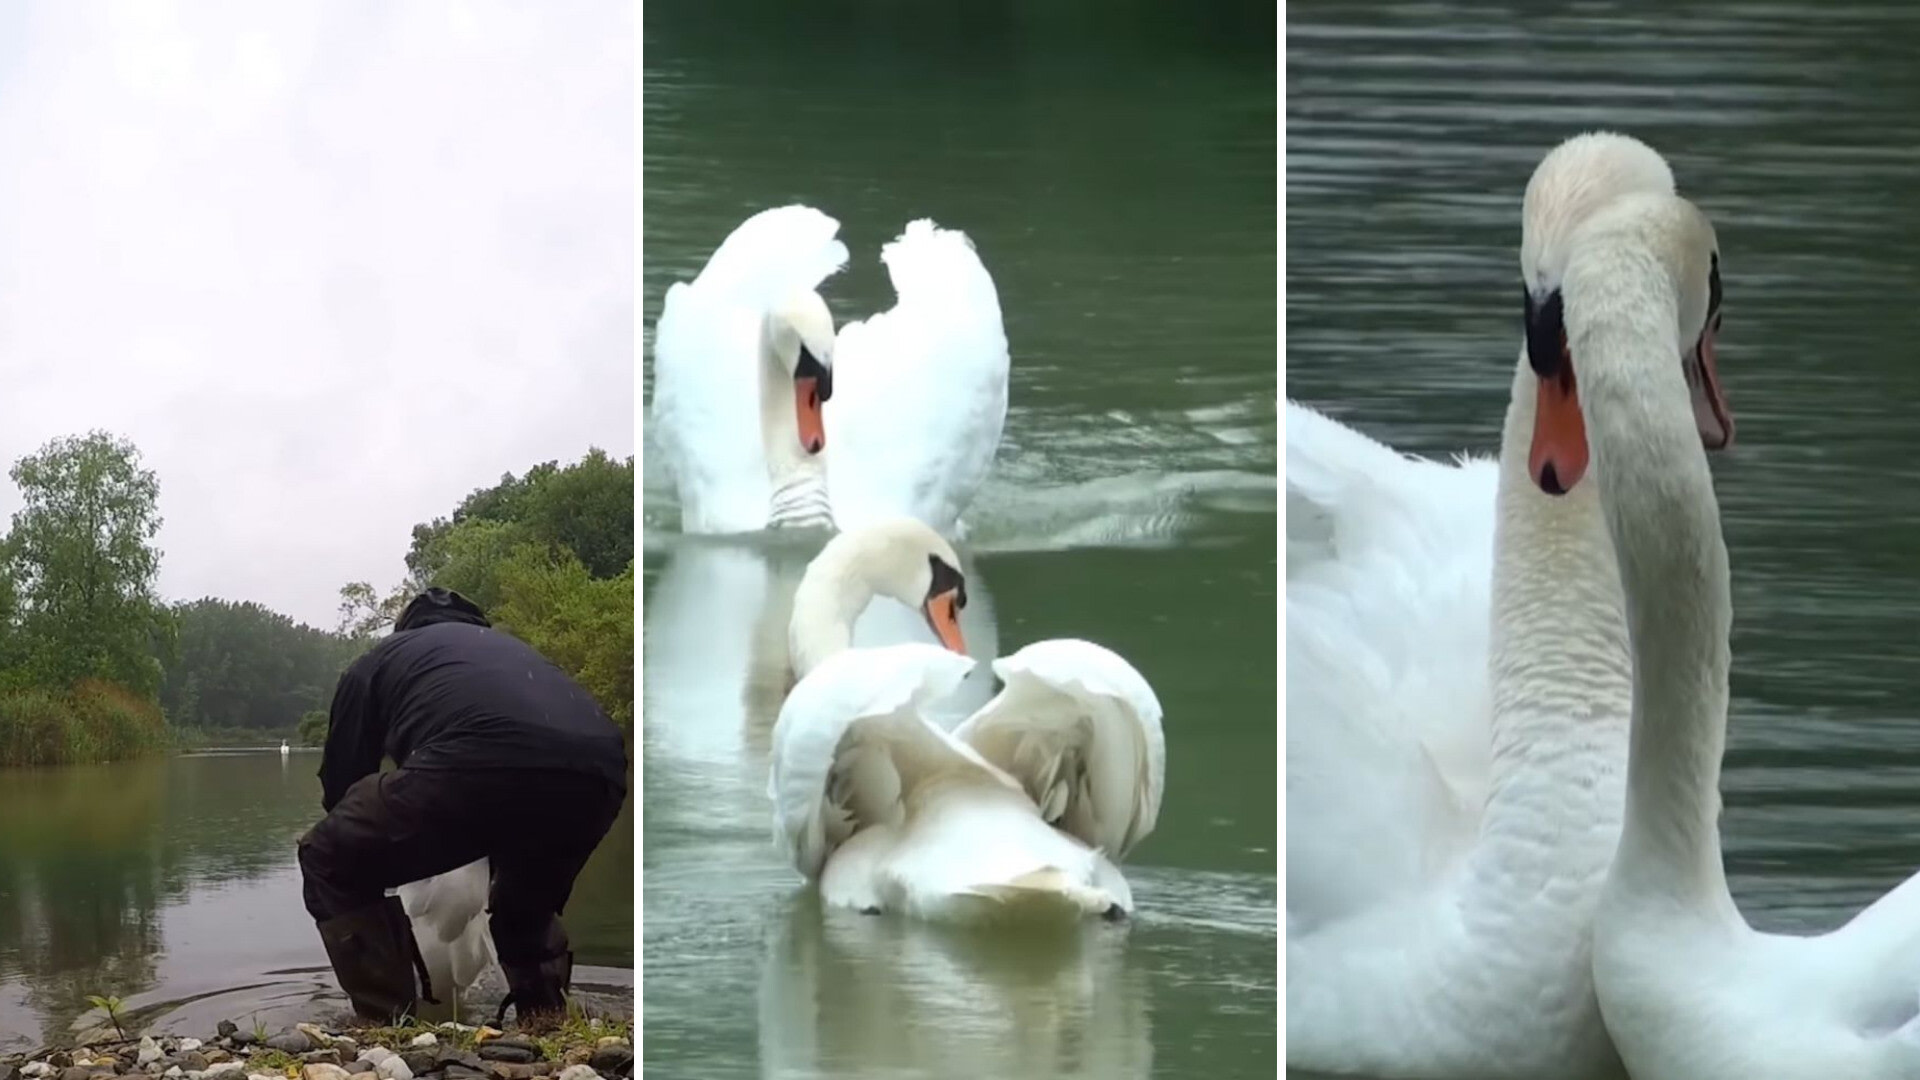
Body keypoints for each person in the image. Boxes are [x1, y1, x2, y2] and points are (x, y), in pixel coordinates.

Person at [297, 587, 628, 1024]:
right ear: (476, 626)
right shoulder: (513, 652)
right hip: (599, 772)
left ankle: (386, 1023)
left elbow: (344, 780)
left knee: (328, 857)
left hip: (480, 759)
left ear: (406, 629)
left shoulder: (380, 660)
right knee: (523, 903)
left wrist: (367, 855)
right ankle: (545, 1014)